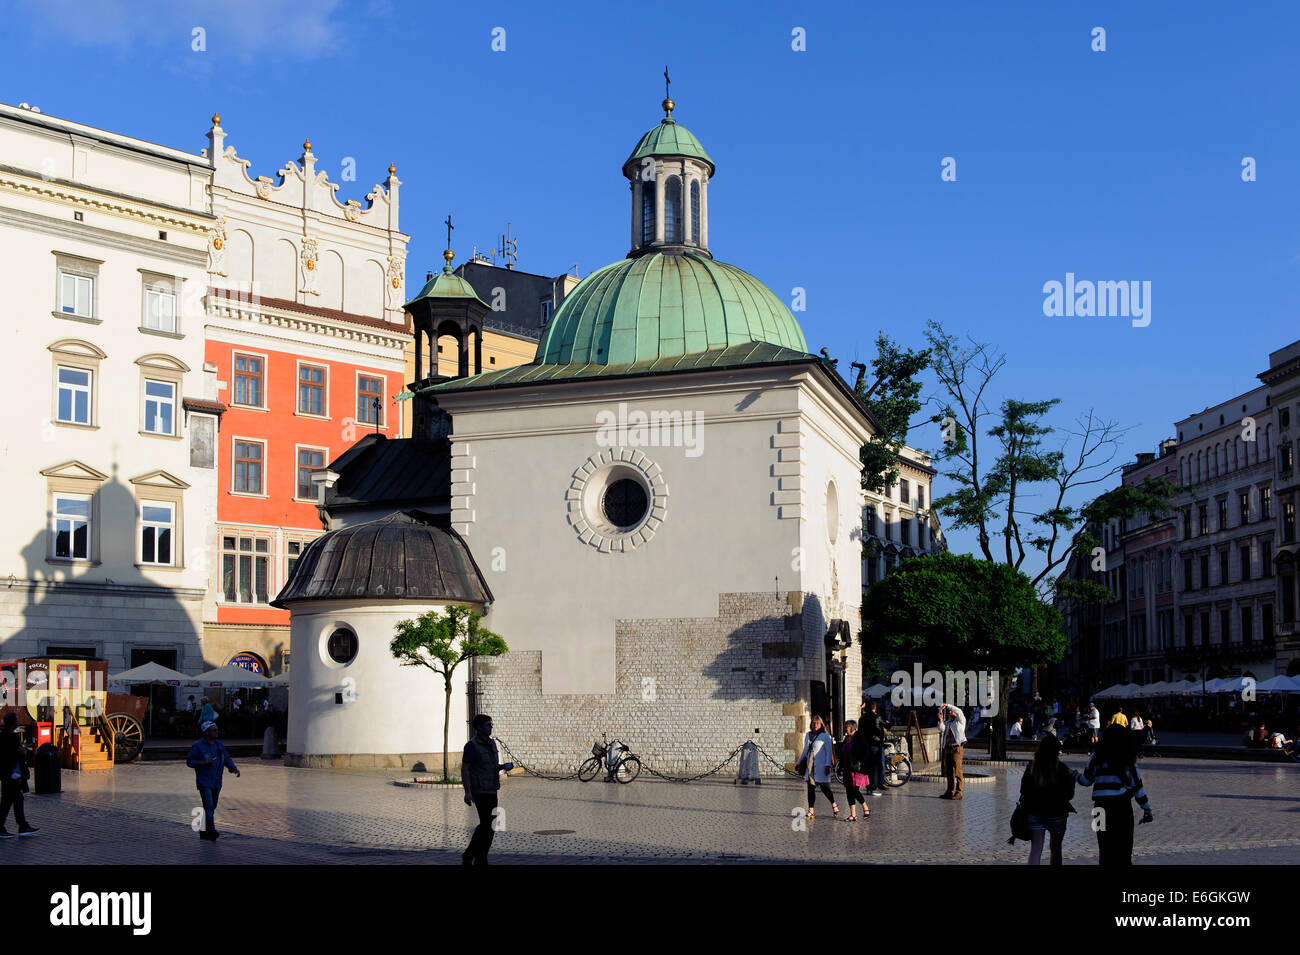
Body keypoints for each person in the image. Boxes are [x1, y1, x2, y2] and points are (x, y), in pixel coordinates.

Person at [1074, 725, 1153, 865]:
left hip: (1099, 809)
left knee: (1104, 850)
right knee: (1124, 850)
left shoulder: (1096, 756)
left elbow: (1086, 781)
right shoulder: (1128, 758)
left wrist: (1074, 775)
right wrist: (1146, 808)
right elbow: (1137, 787)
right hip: (1121, 807)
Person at [461, 714, 513, 865]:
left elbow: (490, 766)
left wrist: (502, 767)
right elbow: (465, 769)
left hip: (492, 789)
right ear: (478, 727)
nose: (490, 727)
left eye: (491, 725)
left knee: (490, 825)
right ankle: (476, 856)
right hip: (479, 790)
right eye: (487, 725)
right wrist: (467, 792)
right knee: (486, 823)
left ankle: (477, 855)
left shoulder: (492, 744)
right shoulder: (472, 745)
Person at [1019, 734, 1074, 865]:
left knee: (1036, 848)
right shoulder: (1061, 768)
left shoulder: (1032, 767)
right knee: (1056, 848)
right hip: (1057, 812)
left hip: (1035, 811)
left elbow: (1023, 790)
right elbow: (1069, 794)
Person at [185, 721, 240, 841]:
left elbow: (226, 757)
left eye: (217, 729)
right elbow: (189, 762)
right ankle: (212, 831)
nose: (217, 732)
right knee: (209, 806)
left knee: (211, 807)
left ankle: (203, 831)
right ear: (206, 732)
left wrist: (233, 768)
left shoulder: (218, 745)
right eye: (214, 730)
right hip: (204, 781)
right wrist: (202, 763)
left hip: (217, 781)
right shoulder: (198, 746)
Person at [0, 714, 38, 838]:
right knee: (9, 801)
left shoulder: (2, 735)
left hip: (6, 773)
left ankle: (22, 825)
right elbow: (21, 751)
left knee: (14, 800)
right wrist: (24, 752)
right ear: (13, 723)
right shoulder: (13, 737)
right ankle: (20, 826)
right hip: (14, 773)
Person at [798, 714, 839, 819]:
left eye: (817, 723)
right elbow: (805, 750)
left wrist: (827, 765)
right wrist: (798, 763)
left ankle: (834, 804)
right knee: (810, 788)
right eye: (813, 723)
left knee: (825, 788)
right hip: (810, 766)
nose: (815, 725)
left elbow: (829, 752)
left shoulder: (825, 736)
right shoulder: (808, 735)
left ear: (821, 725)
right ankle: (811, 810)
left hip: (821, 765)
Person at [839, 720, 869, 820]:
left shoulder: (859, 736)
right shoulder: (846, 738)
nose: (845, 728)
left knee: (855, 790)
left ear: (852, 727)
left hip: (856, 768)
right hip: (847, 768)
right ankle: (853, 814)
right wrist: (840, 767)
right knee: (849, 790)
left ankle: (865, 808)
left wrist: (859, 761)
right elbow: (842, 753)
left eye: (847, 726)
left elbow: (865, 750)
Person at [857, 700, 888, 796]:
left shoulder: (861, 719)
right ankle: (875, 786)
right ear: (875, 708)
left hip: (865, 745)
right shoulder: (877, 717)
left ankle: (868, 787)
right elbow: (887, 726)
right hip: (876, 744)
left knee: (867, 767)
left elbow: (860, 732)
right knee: (876, 766)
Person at [938, 702, 966, 799]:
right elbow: (941, 729)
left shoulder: (960, 721)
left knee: (958, 770)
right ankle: (950, 791)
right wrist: (941, 721)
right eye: (950, 712)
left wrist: (948, 706)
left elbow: (959, 711)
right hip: (948, 748)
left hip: (956, 748)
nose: (951, 713)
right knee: (949, 771)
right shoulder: (948, 723)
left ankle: (959, 792)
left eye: (952, 712)